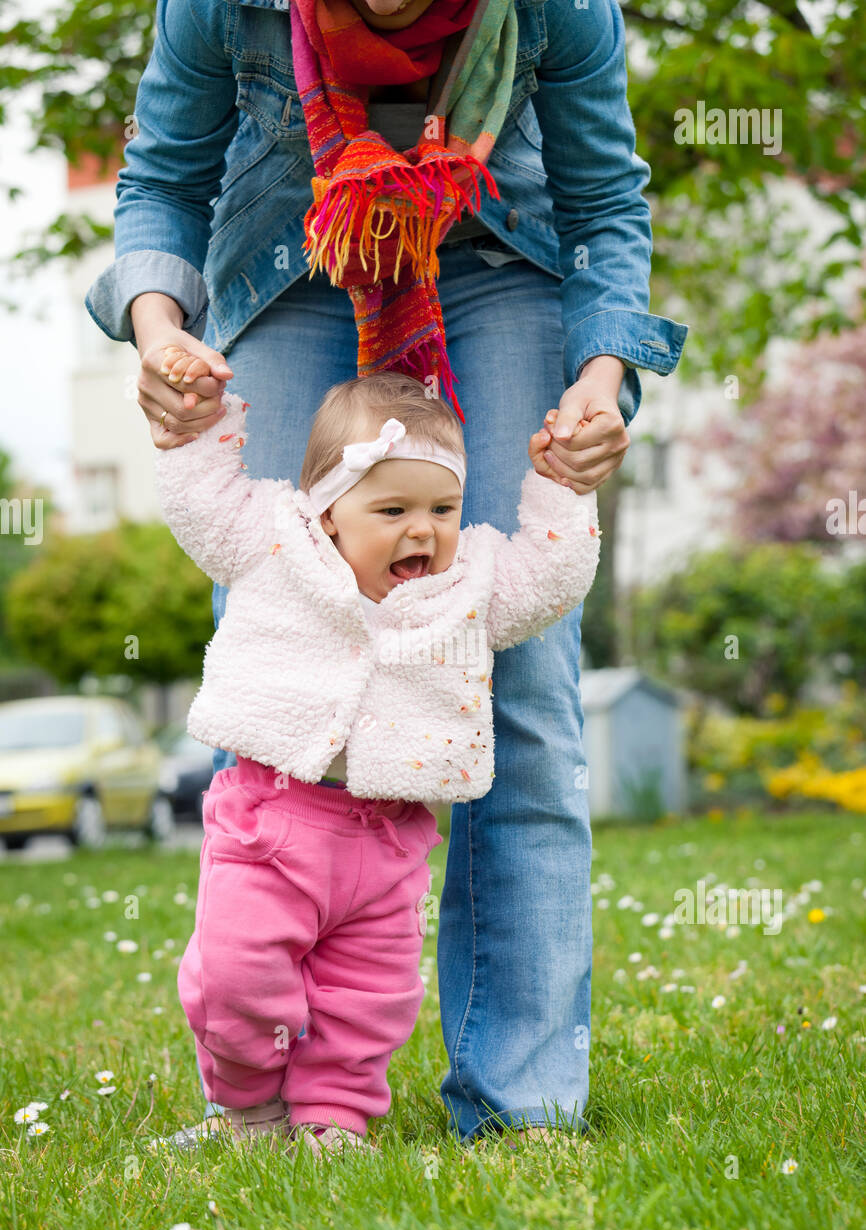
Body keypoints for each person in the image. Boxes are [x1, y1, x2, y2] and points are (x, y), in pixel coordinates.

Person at [85, 0, 688, 1147]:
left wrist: (600, 379)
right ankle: (260, 1097)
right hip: (292, 262)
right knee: (281, 640)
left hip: (501, 262)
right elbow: (161, 178)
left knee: (517, 673)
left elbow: (606, 204)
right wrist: (159, 331)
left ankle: (522, 1103)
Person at [150, 356, 600, 1155]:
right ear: (328, 511)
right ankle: (248, 1108)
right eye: (392, 509)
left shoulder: (469, 585)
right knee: (233, 976)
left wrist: (562, 487)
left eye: (442, 508)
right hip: (267, 823)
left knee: (366, 998)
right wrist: (199, 426)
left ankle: (333, 1118)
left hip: (386, 845)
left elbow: (552, 580)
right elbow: (199, 505)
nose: (423, 530)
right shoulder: (275, 543)